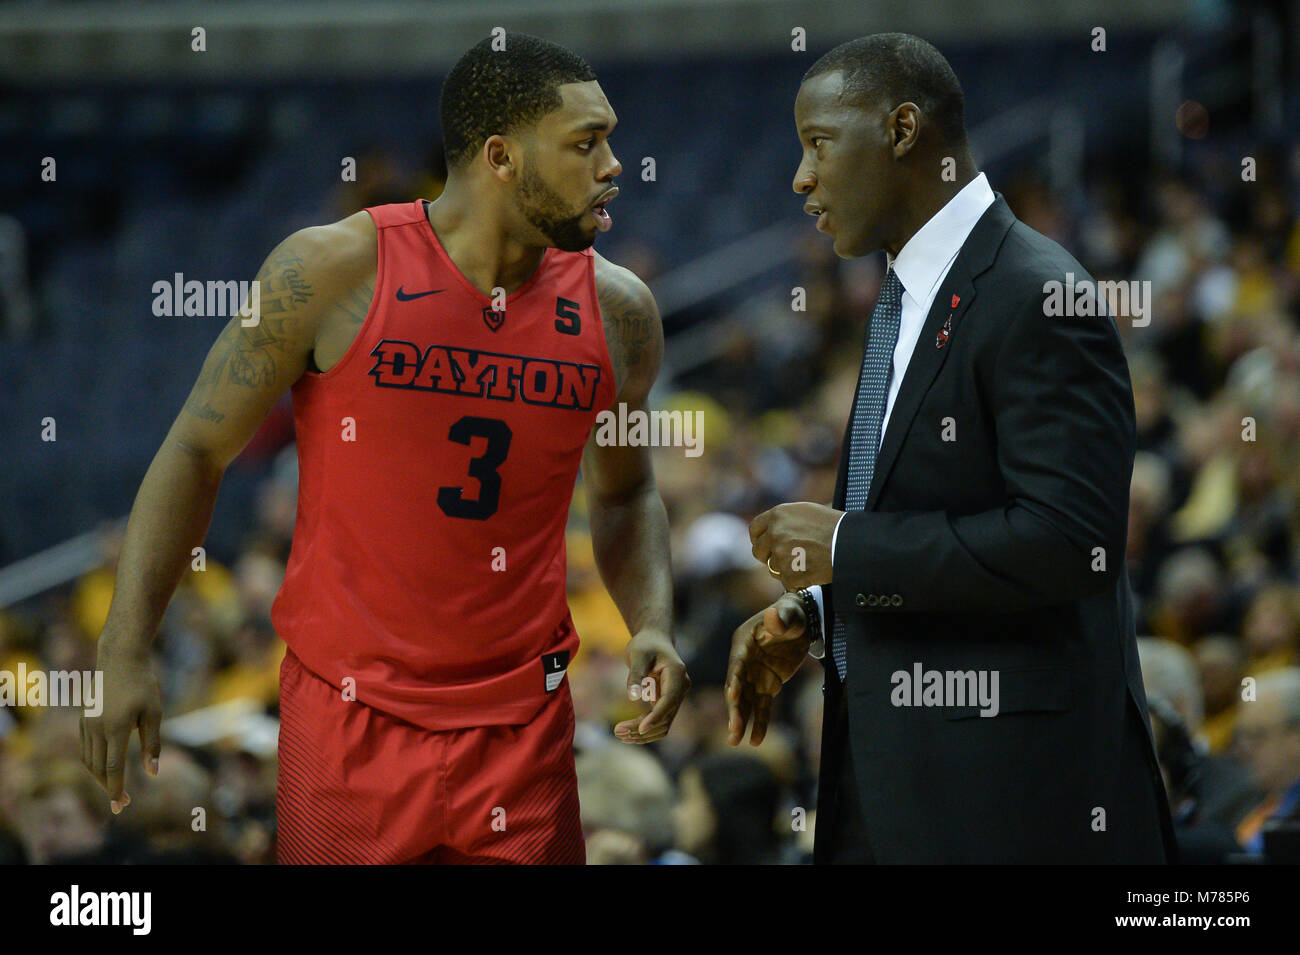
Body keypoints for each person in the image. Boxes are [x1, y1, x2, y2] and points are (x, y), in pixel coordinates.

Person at [80, 32, 689, 865]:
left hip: (524, 731)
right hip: (348, 718)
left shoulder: (621, 314)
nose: (615, 163)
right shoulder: (332, 269)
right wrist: (124, 648)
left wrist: (651, 620)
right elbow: (195, 450)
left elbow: (624, 493)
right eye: (586, 143)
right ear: (502, 156)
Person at [725, 33, 1175, 863]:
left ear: (902, 131)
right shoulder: (907, 293)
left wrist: (841, 546)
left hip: (1012, 801)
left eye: (819, 143)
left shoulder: (1039, 292)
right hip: (900, 779)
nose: (800, 177)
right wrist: (819, 607)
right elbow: (944, 516)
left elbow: (1070, 544)